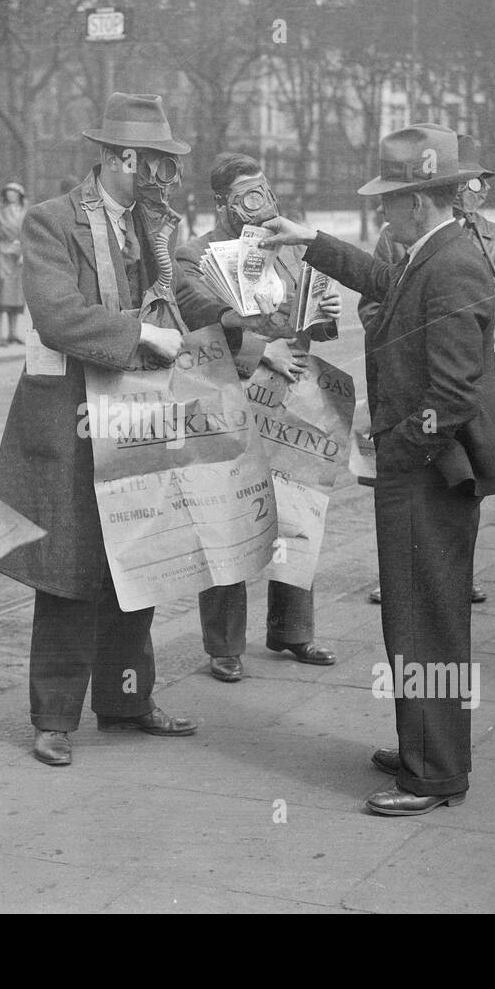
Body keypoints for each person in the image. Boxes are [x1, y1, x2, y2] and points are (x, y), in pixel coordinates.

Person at [263, 123, 495, 816]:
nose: (380, 212)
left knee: (424, 616)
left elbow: (456, 394)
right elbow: (383, 282)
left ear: (419, 201)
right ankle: (424, 746)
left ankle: (433, 772)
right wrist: (308, 240)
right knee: (414, 612)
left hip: (428, 469)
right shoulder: (435, 250)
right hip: (421, 465)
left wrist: (389, 448)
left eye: (388, 201)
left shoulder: (453, 262)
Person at [0, 93, 199, 767]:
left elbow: (189, 297)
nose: (164, 177)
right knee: (69, 571)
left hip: (135, 415)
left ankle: (127, 698)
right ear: (118, 157)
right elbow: (58, 315)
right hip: (71, 420)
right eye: (155, 163)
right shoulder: (51, 222)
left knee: (135, 560)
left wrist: (246, 302)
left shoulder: (157, 226)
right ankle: (53, 717)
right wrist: (147, 336)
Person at [173, 152, 342, 682]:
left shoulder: (284, 244)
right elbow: (195, 319)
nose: (258, 203)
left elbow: (305, 322)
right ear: (220, 203)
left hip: (291, 394)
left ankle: (293, 631)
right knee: (225, 515)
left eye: (262, 190)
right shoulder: (191, 255)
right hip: (228, 395)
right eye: (246, 195)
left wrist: (325, 315)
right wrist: (256, 349)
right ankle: (224, 645)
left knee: (299, 508)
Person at [363, 135, 495, 605]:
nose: (474, 195)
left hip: (465, 394)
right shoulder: (403, 239)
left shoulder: (484, 243)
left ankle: (448, 577)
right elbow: (379, 297)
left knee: (456, 496)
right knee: (430, 520)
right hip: (435, 395)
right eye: (469, 184)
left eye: (479, 185)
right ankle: (428, 579)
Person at [0, 182, 27, 346]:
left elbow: (29, 235)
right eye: (8, 192)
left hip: (18, 258)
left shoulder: (25, 211)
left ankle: (13, 333)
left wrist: (25, 253)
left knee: (16, 297)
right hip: (0, 256)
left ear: (20, 195)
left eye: (14, 192)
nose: (11, 195)